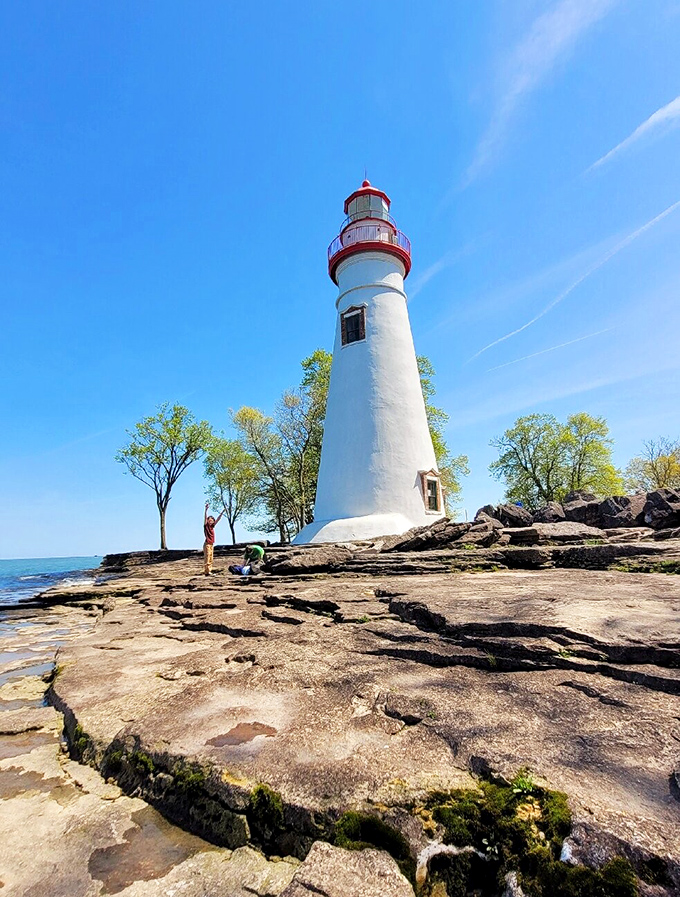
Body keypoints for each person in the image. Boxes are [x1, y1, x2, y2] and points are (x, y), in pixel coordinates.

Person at [203, 502, 225, 575]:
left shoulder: (212, 526)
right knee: (207, 557)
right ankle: (207, 571)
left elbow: (218, 519)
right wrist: (206, 510)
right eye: (209, 520)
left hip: (212, 544)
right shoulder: (206, 526)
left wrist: (222, 512)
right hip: (207, 544)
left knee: (211, 558)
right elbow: (205, 518)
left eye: (212, 520)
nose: (210, 521)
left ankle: (209, 571)